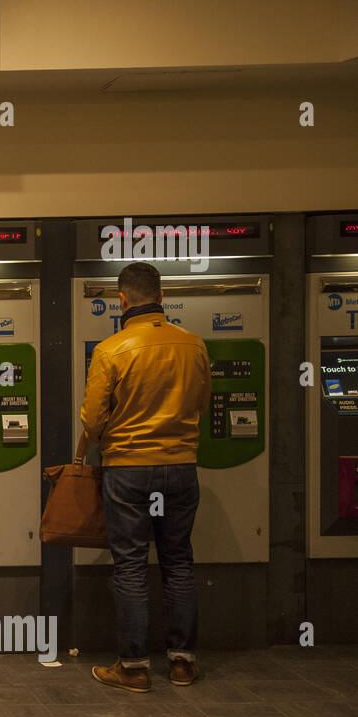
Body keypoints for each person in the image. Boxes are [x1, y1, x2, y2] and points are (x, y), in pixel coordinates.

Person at [80, 261, 212, 693]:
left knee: (132, 566)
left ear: (122, 299)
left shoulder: (111, 350)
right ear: (161, 296)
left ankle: (134, 669)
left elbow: (93, 420)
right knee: (178, 562)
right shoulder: (193, 345)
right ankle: (182, 663)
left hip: (129, 470)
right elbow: (202, 402)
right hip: (180, 467)